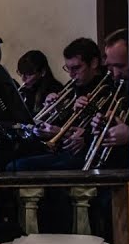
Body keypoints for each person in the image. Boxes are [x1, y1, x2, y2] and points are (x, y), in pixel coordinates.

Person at [9, 37, 107, 171]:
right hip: (65, 151)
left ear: (94, 63)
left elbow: (91, 131)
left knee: (20, 166)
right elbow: (64, 126)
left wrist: (62, 131)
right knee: (13, 163)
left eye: (76, 68)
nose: (71, 74)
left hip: (87, 156)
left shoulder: (105, 88)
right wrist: (58, 110)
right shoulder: (72, 87)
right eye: (68, 68)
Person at [87, 29, 129, 167]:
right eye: (110, 66)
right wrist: (102, 124)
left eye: (121, 66)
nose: (115, 74)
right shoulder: (118, 85)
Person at [17, 50, 62, 116]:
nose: (23, 79)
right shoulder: (25, 91)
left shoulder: (56, 89)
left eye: (28, 74)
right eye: (21, 73)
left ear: (42, 72)